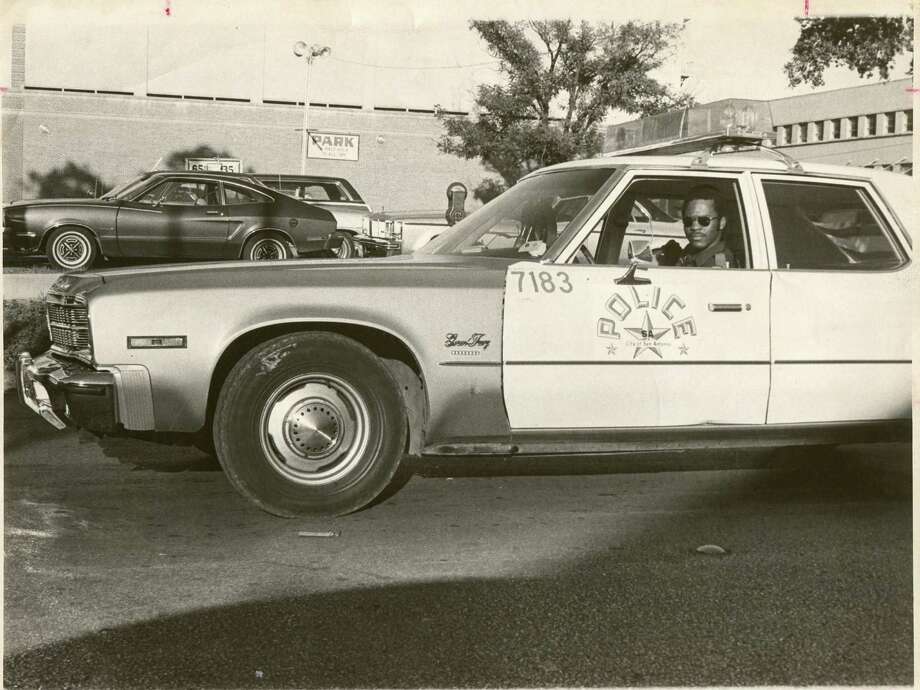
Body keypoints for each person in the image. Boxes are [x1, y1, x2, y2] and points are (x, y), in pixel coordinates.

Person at [656, 185, 738, 268]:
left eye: (704, 221)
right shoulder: (692, 251)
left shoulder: (717, 265)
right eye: (688, 221)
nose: (695, 227)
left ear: (721, 223)